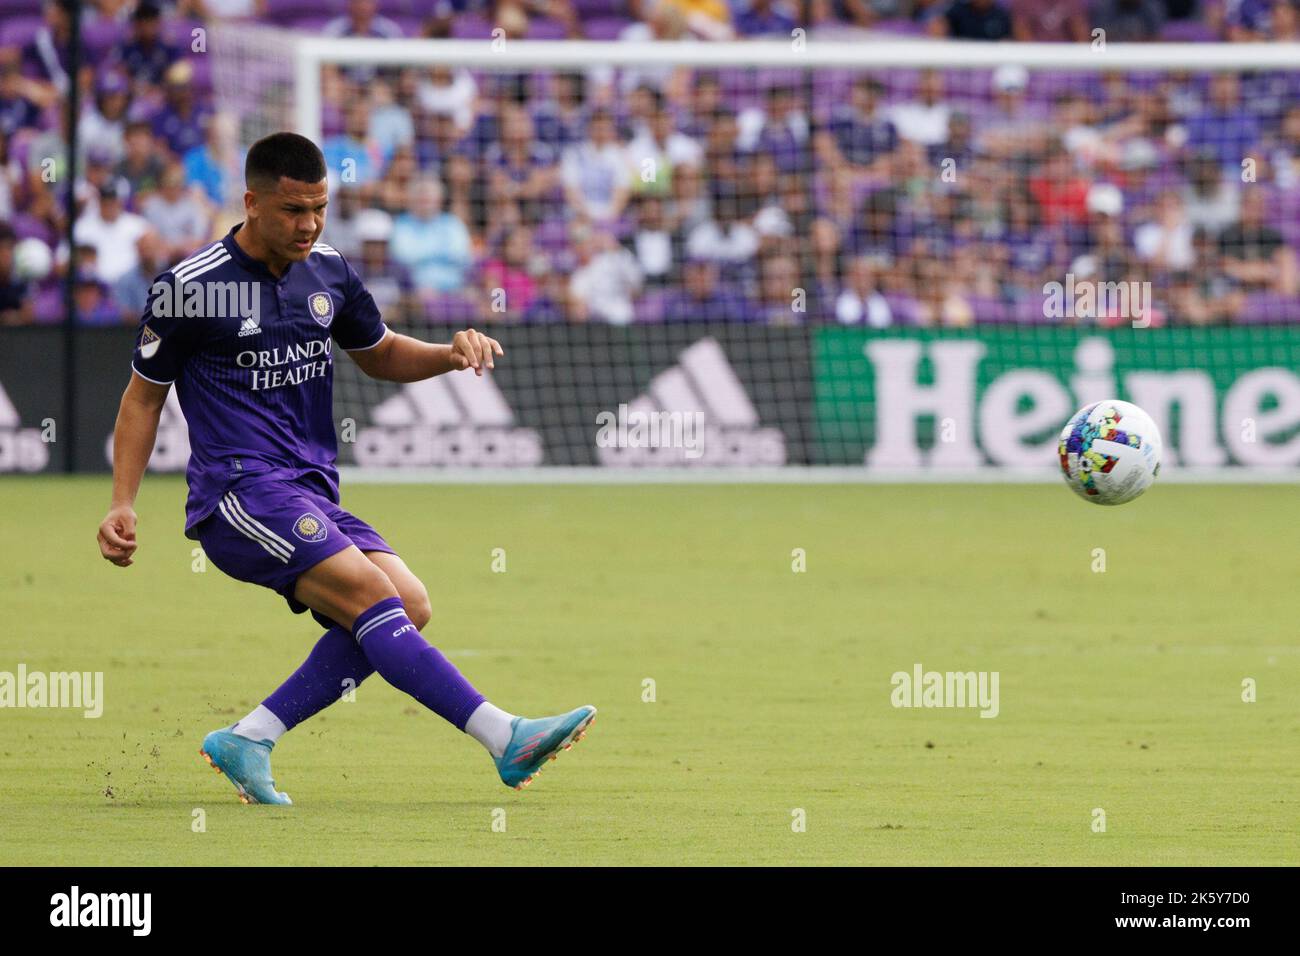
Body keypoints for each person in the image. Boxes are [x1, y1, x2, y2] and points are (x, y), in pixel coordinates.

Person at [96, 132, 595, 805]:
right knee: (371, 599)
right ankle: (505, 737)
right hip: (237, 492)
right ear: (250, 202)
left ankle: (250, 736)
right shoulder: (190, 289)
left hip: (308, 487)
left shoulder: (327, 270)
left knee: (409, 605)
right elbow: (142, 398)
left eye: (320, 209)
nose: (309, 225)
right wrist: (122, 502)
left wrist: (449, 354)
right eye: (294, 210)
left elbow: (381, 352)